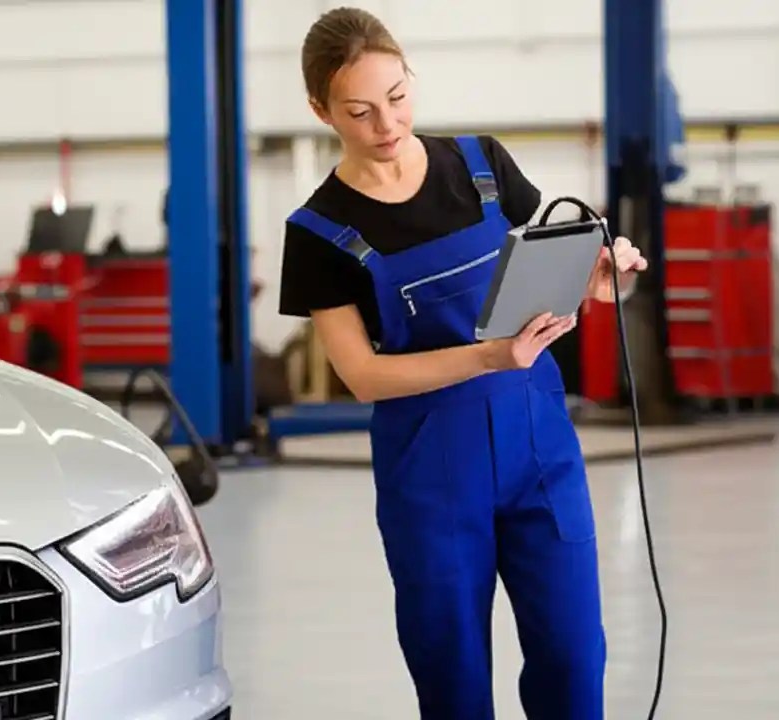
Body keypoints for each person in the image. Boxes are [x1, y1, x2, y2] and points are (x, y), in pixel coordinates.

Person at [277, 8, 648, 720]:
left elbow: (542, 282)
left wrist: (598, 278)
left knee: (575, 659)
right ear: (321, 111)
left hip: (539, 452)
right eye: (359, 111)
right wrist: (487, 357)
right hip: (431, 474)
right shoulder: (319, 232)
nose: (387, 123)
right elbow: (362, 376)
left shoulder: (482, 167)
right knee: (453, 679)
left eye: (397, 96)